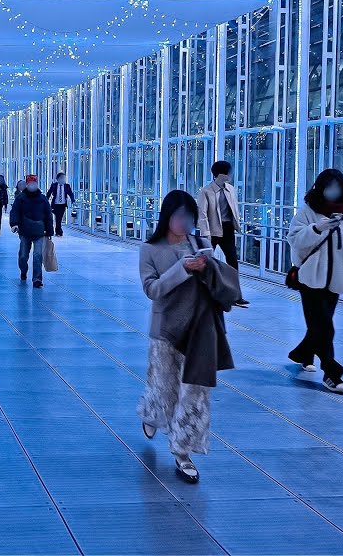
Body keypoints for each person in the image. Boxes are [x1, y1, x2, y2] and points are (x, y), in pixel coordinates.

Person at [137, 190, 239, 484]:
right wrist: (181, 268)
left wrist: (207, 268)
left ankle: (183, 453)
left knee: (195, 393)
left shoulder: (202, 244)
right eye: (178, 216)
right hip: (166, 330)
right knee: (163, 388)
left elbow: (217, 281)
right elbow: (152, 290)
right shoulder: (150, 249)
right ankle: (151, 414)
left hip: (200, 330)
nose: (184, 223)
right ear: (166, 216)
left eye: (189, 217)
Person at [287, 168, 343, 395]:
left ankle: (303, 353)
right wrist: (317, 228)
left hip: (336, 279)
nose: (333, 192)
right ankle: (332, 372)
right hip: (310, 279)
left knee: (321, 323)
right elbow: (295, 240)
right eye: (328, 187)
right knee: (324, 326)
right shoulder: (308, 212)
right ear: (320, 187)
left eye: (337, 187)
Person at [197, 161, 249, 307]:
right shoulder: (206, 191)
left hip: (227, 229)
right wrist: (206, 233)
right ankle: (202, 292)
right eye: (228, 172)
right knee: (205, 262)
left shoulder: (230, 189)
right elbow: (202, 213)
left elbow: (234, 209)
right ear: (221, 174)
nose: (231, 175)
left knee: (233, 261)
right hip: (212, 230)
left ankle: (236, 296)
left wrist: (237, 225)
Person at [9, 175, 51, 287]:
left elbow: (48, 215)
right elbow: (14, 211)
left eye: (34, 183)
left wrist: (50, 231)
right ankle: (23, 270)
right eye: (30, 183)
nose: (32, 185)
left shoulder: (43, 199)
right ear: (27, 185)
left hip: (39, 231)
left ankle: (37, 279)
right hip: (25, 231)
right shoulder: (21, 198)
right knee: (23, 256)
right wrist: (14, 224)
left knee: (38, 255)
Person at [45, 172, 76, 237]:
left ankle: (58, 231)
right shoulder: (54, 185)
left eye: (64, 178)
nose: (63, 180)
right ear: (58, 179)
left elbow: (70, 193)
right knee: (55, 218)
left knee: (59, 218)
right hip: (55, 204)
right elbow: (49, 193)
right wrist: (45, 200)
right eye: (61, 178)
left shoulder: (67, 186)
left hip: (62, 205)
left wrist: (73, 200)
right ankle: (56, 231)